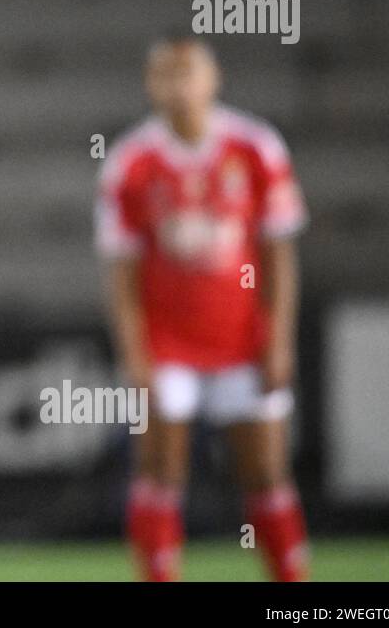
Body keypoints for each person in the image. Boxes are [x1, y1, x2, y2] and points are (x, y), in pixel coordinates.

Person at [95, 35, 309, 581]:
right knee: (161, 469)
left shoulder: (255, 147)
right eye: (166, 74)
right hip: (168, 345)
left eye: (188, 73)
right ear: (150, 85)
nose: (179, 87)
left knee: (265, 472)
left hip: (243, 340)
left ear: (213, 80)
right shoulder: (130, 162)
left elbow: (278, 251)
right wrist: (135, 354)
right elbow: (121, 271)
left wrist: (280, 338)